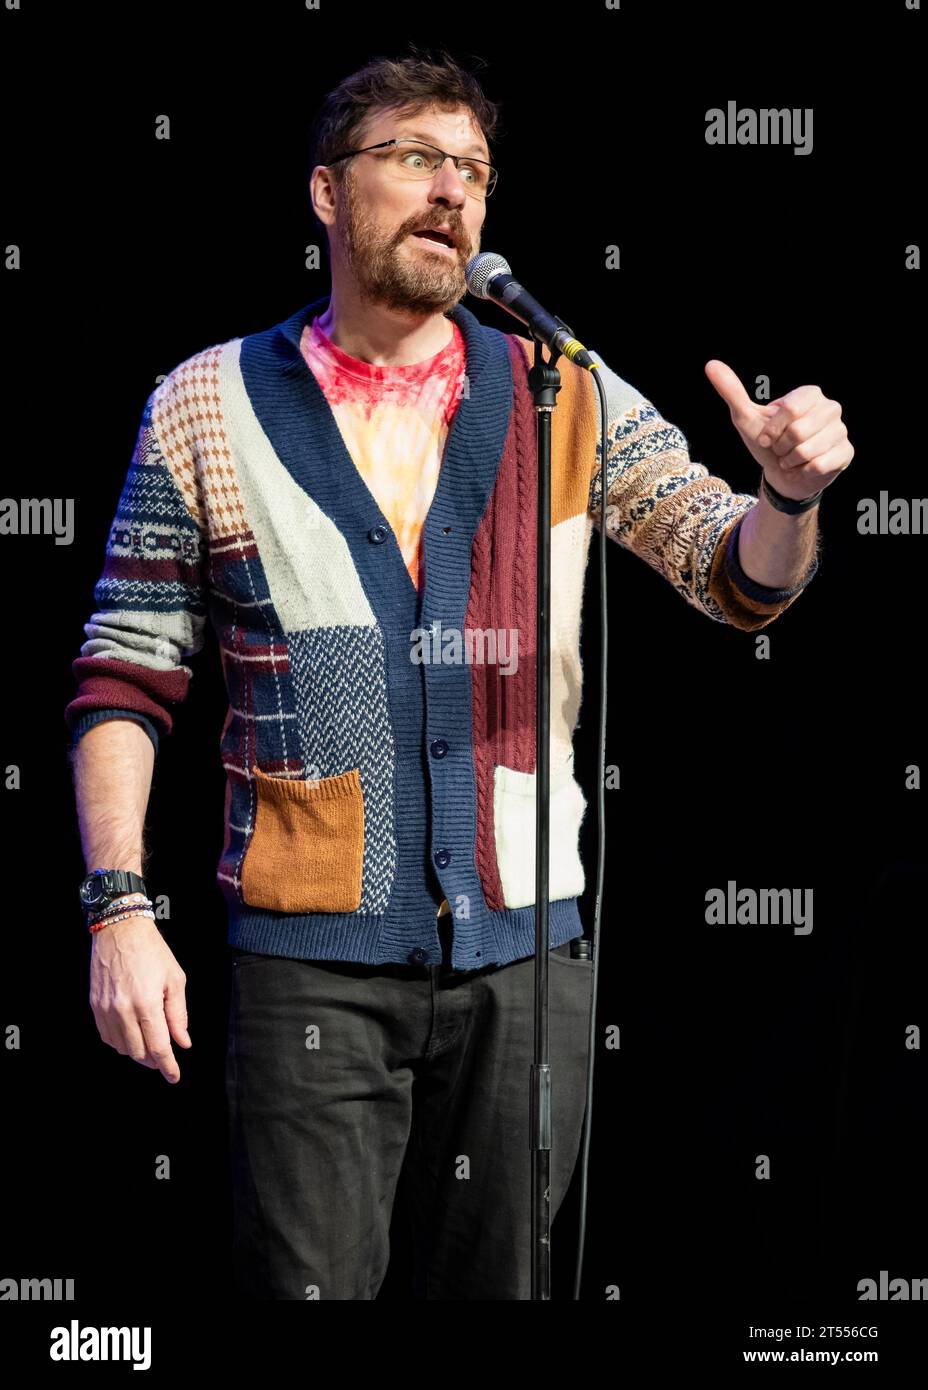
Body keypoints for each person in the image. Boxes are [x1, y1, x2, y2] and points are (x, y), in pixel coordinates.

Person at [66, 45, 847, 1300]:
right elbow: (125, 675)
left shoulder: (561, 389)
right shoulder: (203, 403)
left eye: (473, 170)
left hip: (526, 963)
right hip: (310, 963)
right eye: (415, 158)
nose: (451, 192)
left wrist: (785, 495)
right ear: (328, 193)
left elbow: (732, 574)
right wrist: (119, 910)